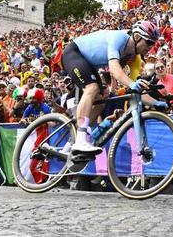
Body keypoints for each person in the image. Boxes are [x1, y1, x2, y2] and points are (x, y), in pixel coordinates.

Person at [61, 21, 157, 153]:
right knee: (92, 88)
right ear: (137, 37)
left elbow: (133, 84)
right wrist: (132, 83)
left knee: (101, 101)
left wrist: (156, 102)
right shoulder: (119, 38)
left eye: (153, 44)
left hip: (88, 64)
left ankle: (71, 144)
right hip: (73, 53)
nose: (150, 47)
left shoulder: (133, 56)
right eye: (149, 43)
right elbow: (114, 69)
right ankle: (80, 140)